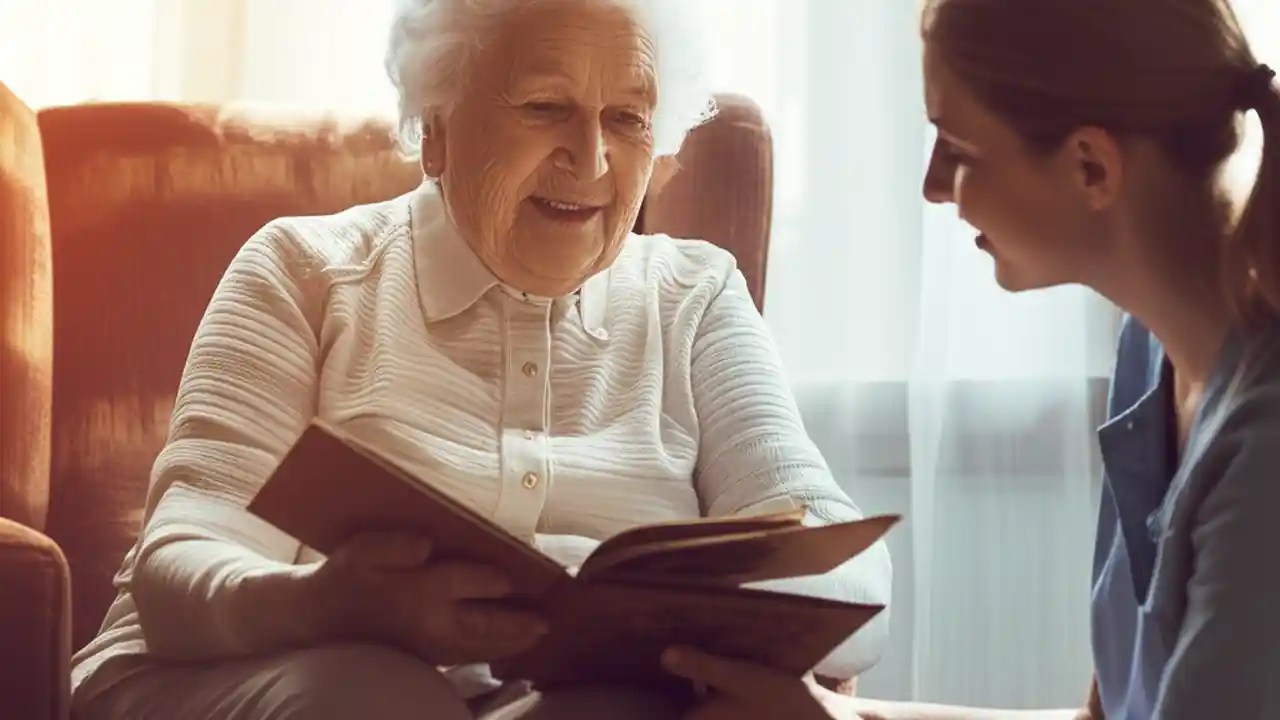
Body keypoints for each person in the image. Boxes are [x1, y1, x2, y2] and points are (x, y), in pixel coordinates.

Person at [66, 0, 893, 718]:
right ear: (436, 131)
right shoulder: (305, 271)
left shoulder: (697, 296)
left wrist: (665, 616)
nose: (593, 160)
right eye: (544, 106)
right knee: (373, 696)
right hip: (249, 684)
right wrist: (326, 604)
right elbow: (175, 572)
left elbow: (853, 578)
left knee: (625, 708)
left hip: (550, 700)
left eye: (627, 118)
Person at [664, 0, 1280, 719]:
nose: (932, 185)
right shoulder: (1153, 353)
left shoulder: (1262, 452)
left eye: (957, 148)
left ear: (1090, 167)